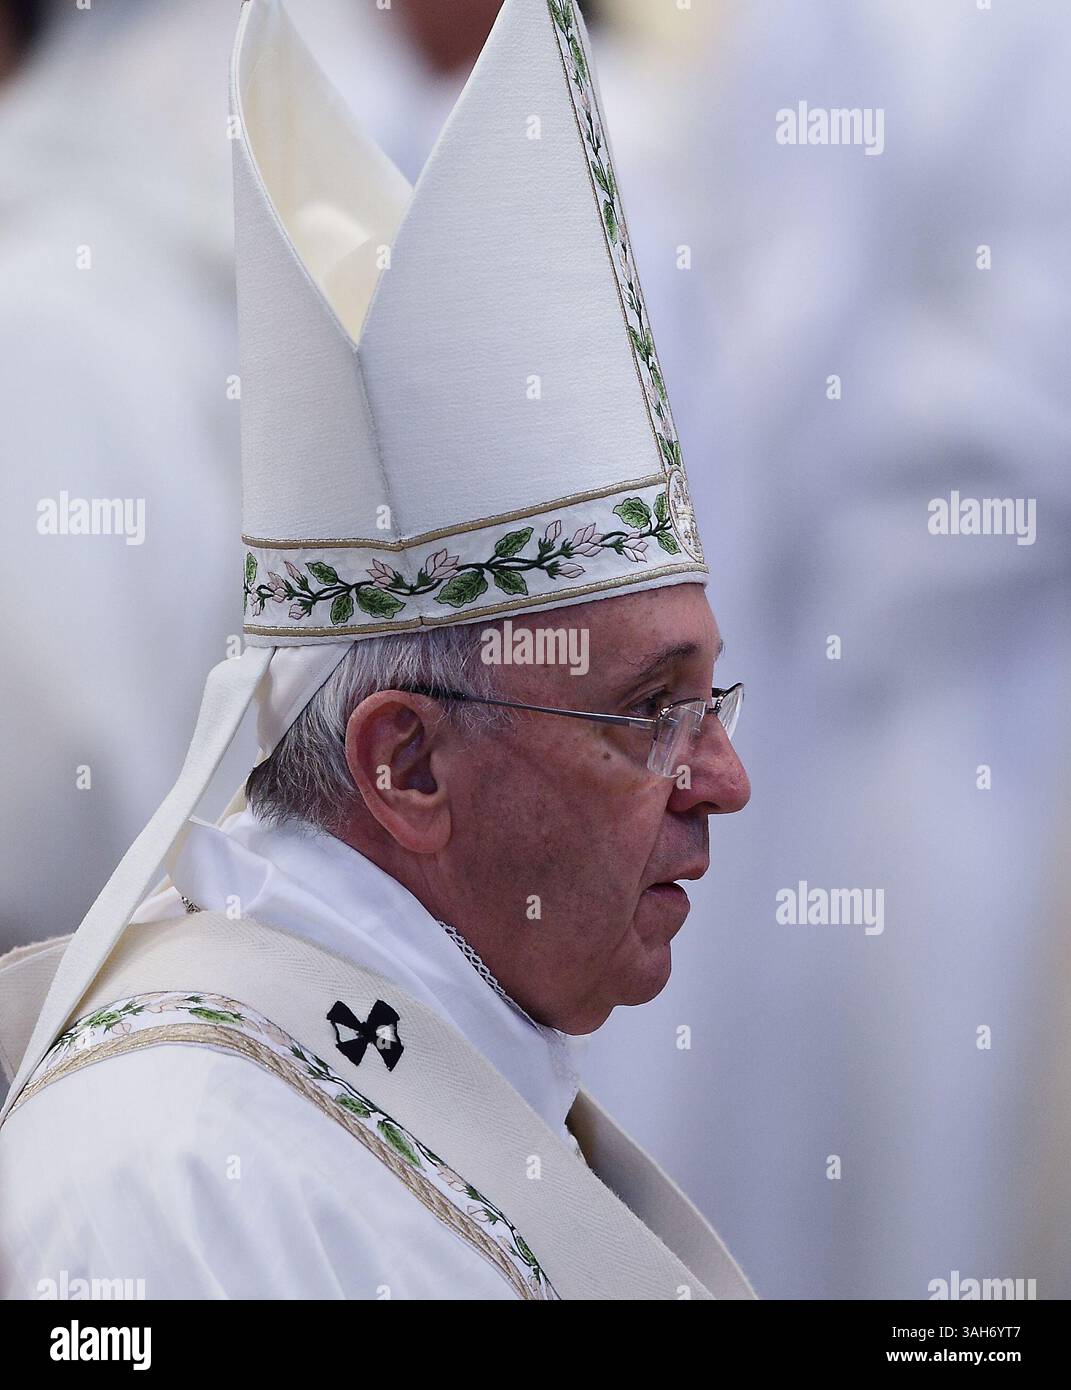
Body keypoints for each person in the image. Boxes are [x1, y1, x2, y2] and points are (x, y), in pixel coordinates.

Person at [0, 0, 756, 1300]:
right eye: (650, 710)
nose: (726, 777)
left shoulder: (460, 1055)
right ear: (403, 760)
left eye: (710, 692)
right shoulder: (166, 1192)